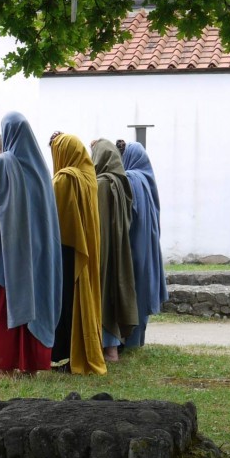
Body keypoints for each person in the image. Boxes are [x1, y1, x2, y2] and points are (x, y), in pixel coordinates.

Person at [0, 113, 62, 376]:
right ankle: (29, 365)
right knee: (33, 299)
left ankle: (1, 366)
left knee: (1, 304)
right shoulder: (42, 173)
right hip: (36, 254)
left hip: (2, 254)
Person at [49, 132, 106, 376]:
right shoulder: (89, 176)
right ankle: (76, 354)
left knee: (67, 306)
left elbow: (52, 216)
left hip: (66, 251)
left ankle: (70, 357)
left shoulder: (65, 180)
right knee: (82, 303)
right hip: (86, 251)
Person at [119, 140, 169, 348]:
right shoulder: (148, 180)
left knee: (132, 290)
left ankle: (128, 341)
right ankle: (137, 340)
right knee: (141, 289)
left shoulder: (131, 179)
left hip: (134, 245)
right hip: (148, 244)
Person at [92, 139, 138, 361]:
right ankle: (112, 350)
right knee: (114, 293)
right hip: (119, 250)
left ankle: (106, 350)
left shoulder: (101, 184)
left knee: (102, 295)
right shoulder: (122, 183)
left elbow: (96, 223)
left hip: (102, 250)